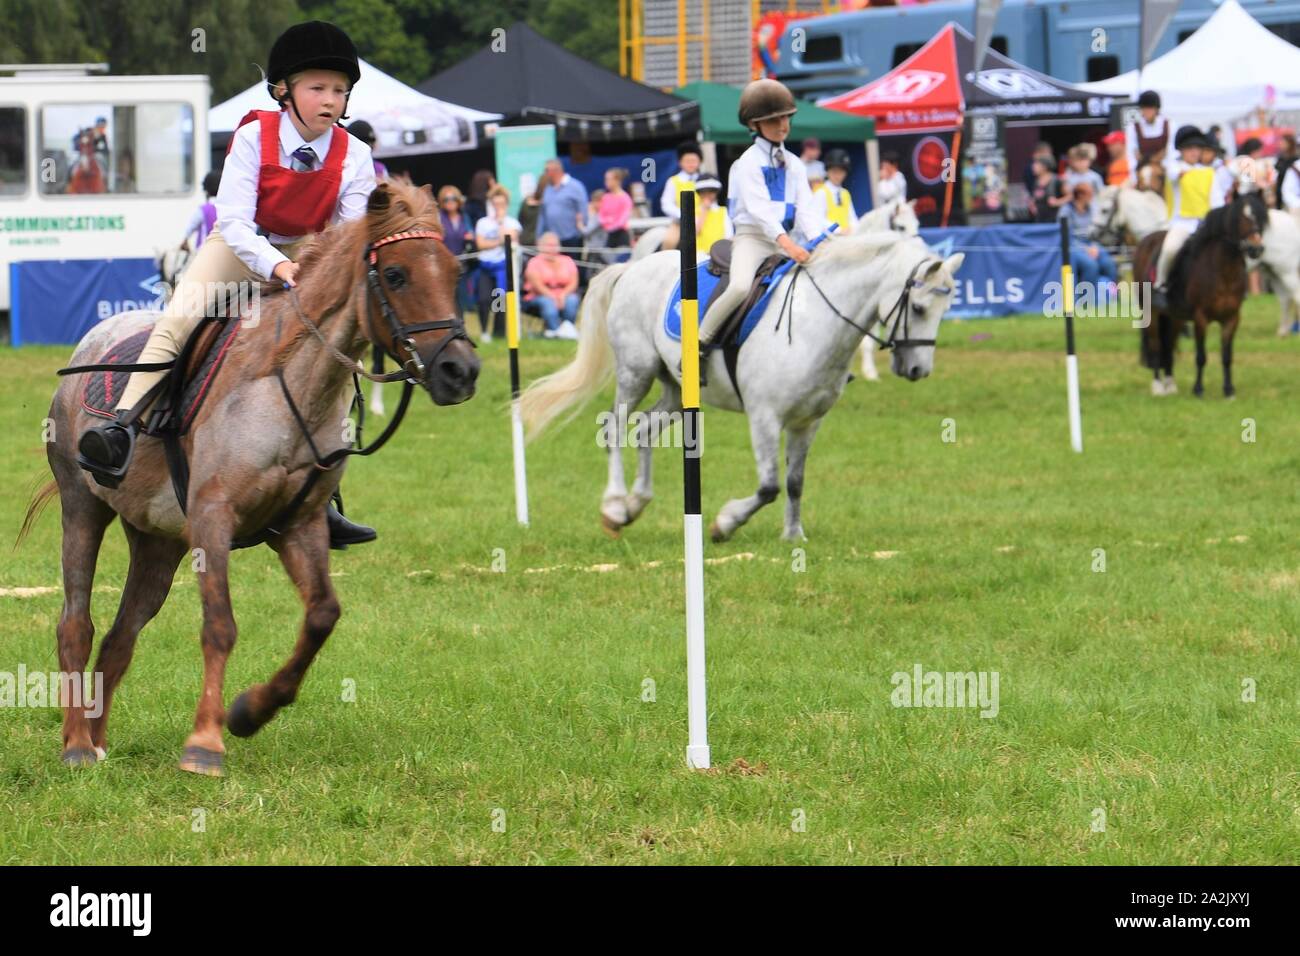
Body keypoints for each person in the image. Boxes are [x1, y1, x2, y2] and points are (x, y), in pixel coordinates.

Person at [75, 20, 378, 547]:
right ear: (284, 89)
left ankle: (324, 496)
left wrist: (317, 269)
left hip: (311, 250)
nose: (330, 100)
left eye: (339, 89)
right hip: (238, 247)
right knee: (177, 321)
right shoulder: (252, 134)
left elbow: (350, 233)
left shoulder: (354, 154)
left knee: (336, 352)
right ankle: (120, 428)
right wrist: (279, 267)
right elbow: (234, 223)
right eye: (317, 87)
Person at [693, 79, 820, 382]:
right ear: (754, 124)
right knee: (738, 287)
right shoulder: (746, 163)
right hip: (753, 239)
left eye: (786, 117)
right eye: (774, 119)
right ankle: (698, 345)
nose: (782, 124)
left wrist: (820, 241)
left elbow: (806, 209)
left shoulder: (795, 164)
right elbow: (759, 210)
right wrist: (786, 243)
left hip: (786, 241)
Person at [1152, 125, 1213, 309]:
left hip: (1204, 225)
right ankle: (1160, 285)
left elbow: (1215, 200)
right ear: (1181, 150)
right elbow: (1173, 174)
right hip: (1181, 224)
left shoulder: (1209, 172)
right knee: (1170, 249)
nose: (1195, 152)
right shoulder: (1174, 167)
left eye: (1197, 149)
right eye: (1190, 149)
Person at [474, 184, 521, 344]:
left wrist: (501, 223)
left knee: (499, 300)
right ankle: (484, 331)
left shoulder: (512, 222)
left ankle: (499, 332)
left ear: (506, 204)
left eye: (501, 204)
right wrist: (499, 241)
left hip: (502, 267)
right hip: (486, 266)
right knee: (483, 299)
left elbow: (510, 240)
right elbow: (480, 244)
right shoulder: (482, 222)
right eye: (495, 204)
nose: (498, 207)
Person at [1059, 181, 1117, 300]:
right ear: (1080, 196)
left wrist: (1094, 245)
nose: (1092, 198)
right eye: (1089, 195)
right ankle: (1087, 300)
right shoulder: (1065, 211)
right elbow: (1065, 236)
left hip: (1091, 244)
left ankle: (1114, 296)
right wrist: (1085, 249)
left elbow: (1096, 231)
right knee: (1091, 266)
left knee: (1109, 263)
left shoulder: (1092, 209)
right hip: (1072, 246)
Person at [522, 232, 581, 340]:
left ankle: (567, 329)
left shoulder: (567, 261)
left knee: (572, 300)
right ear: (541, 246)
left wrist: (563, 294)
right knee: (548, 303)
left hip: (564, 294)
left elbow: (574, 282)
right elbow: (536, 285)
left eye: (554, 245)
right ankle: (556, 331)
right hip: (538, 296)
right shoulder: (534, 262)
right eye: (549, 245)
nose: (552, 248)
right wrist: (553, 296)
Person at [536, 158, 588, 257]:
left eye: (547, 170)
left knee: (573, 268)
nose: (545, 173)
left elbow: (583, 210)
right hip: (552, 241)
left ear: (556, 170)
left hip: (571, 238)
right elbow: (542, 214)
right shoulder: (548, 189)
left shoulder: (575, 187)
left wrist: (580, 230)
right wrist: (539, 235)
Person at [437, 185, 475, 314]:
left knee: (461, 300)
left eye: (453, 198)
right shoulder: (439, 218)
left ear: (458, 200)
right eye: (446, 199)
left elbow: (471, 234)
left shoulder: (464, 217)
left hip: (462, 265)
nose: (450, 202)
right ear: (442, 202)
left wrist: (470, 237)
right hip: (443, 266)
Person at [660, 140, 702, 250]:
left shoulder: (704, 179)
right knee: (669, 242)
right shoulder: (673, 181)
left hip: (703, 219)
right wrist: (683, 215)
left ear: (699, 162)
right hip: (680, 223)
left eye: (694, 161)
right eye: (687, 161)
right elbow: (666, 204)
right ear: (680, 163)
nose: (691, 164)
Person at [1125, 90, 1170, 186]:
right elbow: (1131, 155)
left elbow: (1171, 151)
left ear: (1156, 109)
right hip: (1141, 169)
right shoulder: (1132, 128)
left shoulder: (1169, 125)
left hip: (1163, 169)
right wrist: (1133, 178)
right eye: (1144, 108)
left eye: (1150, 108)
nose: (1147, 111)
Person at [814, 149, 857, 234]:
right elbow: (818, 219)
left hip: (846, 239)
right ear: (827, 171)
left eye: (841, 172)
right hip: (828, 239)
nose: (838, 175)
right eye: (834, 171)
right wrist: (839, 230)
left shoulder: (845, 193)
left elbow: (852, 218)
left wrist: (853, 229)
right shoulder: (821, 192)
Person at [598, 166, 633, 262]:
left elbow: (622, 220)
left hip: (621, 236)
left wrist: (610, 223)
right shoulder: (605, 197)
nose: (606, 182)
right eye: (606, 179)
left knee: (622, 261)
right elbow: (601, 216)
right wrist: (608, 222)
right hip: (609, 236)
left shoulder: (625, 199)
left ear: (617, 180)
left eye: (609, 179)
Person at [182, 169, 222, 251]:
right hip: (223, 254)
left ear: (206, 191)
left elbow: (191, 227)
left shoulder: (203, 210)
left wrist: (184, 240)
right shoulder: (226, 209)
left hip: (204, 253)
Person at [694, 175, 733, 257]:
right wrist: (704, 210)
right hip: (699, 255)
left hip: (719, 254)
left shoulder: (723, 211)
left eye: (711, 191)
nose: (707, 195)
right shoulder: (694, 211)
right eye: (703, 192)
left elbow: (729, 236)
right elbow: (693, 234)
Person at [1028, 156, 1062, 223]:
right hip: (1039, 219)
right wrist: (1032, 204)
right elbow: (1035, 197)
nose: (1033, 167)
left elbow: (1071, 196)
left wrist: (1057, 202)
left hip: (1055, 220)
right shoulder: (1036, 181)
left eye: (1036, 165)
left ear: (1044, 167)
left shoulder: (1057, 180)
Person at [1274, 134, 1298, 211]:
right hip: (1279, 190)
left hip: (1292, 195)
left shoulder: (1295, 160)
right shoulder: (1280, 157)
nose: (1280, 144)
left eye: (1283, 142)